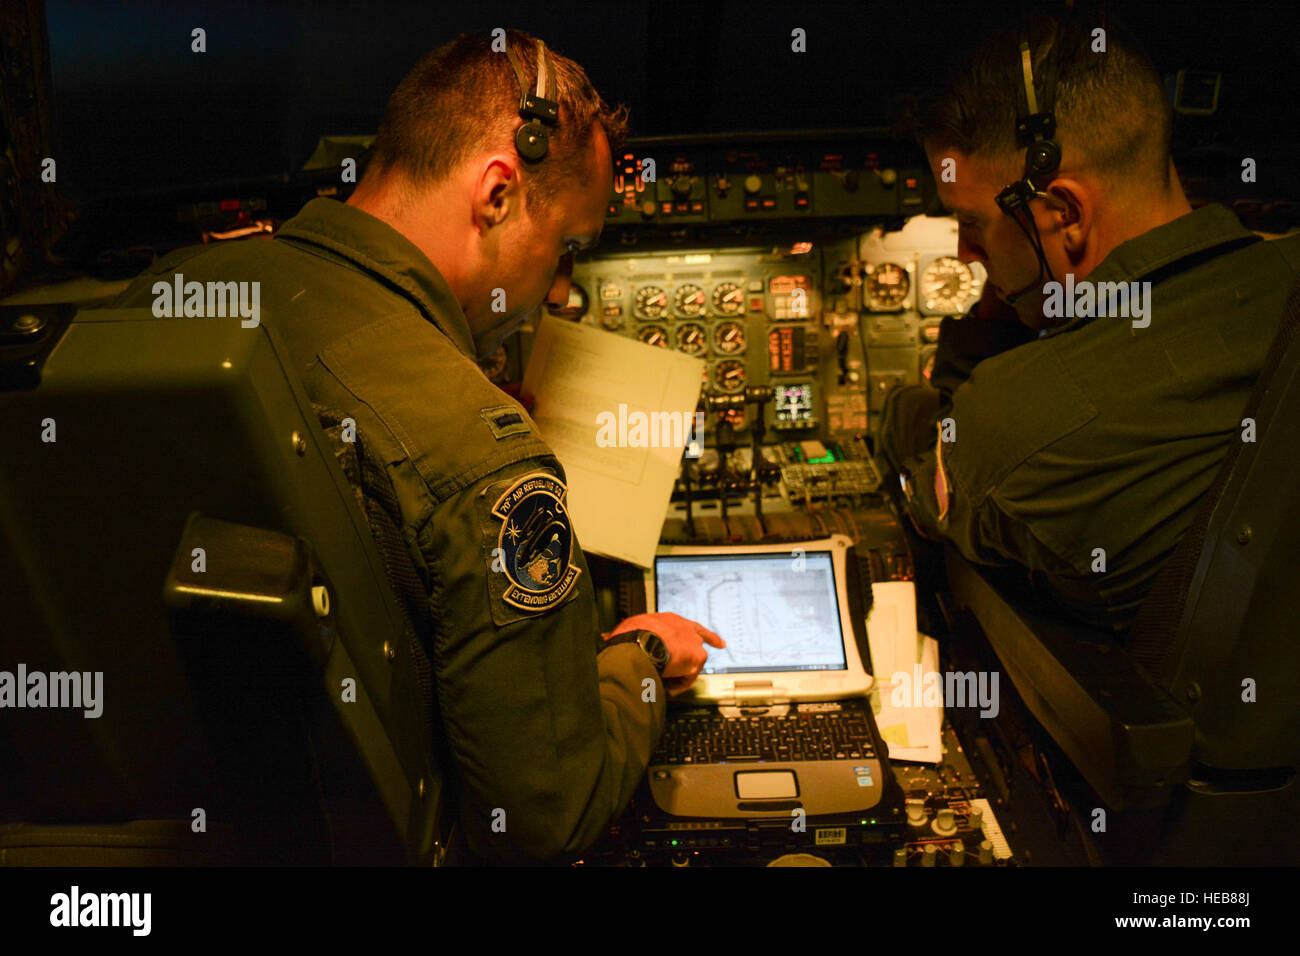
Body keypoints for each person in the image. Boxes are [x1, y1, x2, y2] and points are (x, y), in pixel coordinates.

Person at [108, 29, 722, 864]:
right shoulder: (486, 459)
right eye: (568, 248)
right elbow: (547, 815)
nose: (562, 288)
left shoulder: (172, 291)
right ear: (498, 193)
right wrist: (642, 658)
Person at [879, 12, 1300, 634]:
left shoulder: (1020, 419)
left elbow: (928, 492)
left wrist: (996, 308)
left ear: (1064, 213)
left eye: (971, 224)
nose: (966, 254)